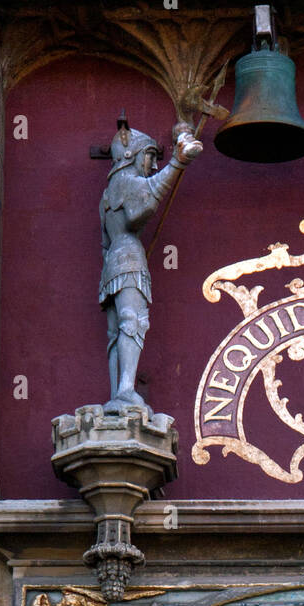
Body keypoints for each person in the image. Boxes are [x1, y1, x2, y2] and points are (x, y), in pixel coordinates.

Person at [100, 118, 203, 408]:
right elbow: (142, 205)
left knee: (118, 330)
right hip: (129, 258)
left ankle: (119, 392)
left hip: (112, 261)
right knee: (133, 321)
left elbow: (105, 241)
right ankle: (125, 390)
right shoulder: (124, 182)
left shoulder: (109, 192)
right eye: (149, 156)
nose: (154, 165)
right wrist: (177, 163)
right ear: (130, 154)